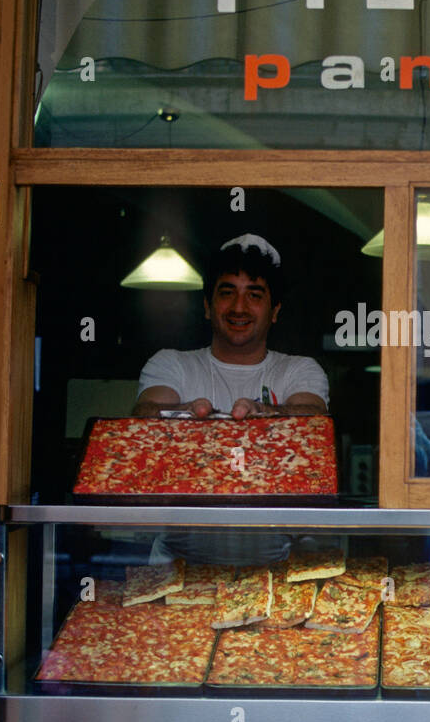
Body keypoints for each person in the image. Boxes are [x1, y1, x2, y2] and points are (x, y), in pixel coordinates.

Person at [132, 233, 331, 565]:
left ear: (275, 310)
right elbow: (144, 415)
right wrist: (189, 414)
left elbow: (314, 419)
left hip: (274, 577)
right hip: (175, 575)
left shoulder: (299, 370)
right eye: (227, 293)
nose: (239, 307)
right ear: (208, 307)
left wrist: (266, 413)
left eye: (254, 295)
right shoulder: (170, 364)